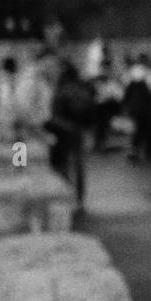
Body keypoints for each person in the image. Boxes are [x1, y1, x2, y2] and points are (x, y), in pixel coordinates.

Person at [47, 59, 96, 207]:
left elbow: (54, 114)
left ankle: (66, 197)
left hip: (64, 132)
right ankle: (80, 199)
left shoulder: (61, 91)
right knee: (79, 166)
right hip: (80, 131)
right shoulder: (84, 89)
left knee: (64, 166)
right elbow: (92, 111)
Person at [123, 52, 151, 163]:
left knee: (137, 127)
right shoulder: (150, 73)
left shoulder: (132, 71)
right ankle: (147, 151)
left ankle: (135, 150)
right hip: (146, 106)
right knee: (146, 128)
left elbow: (125, 86)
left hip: (134, 106)